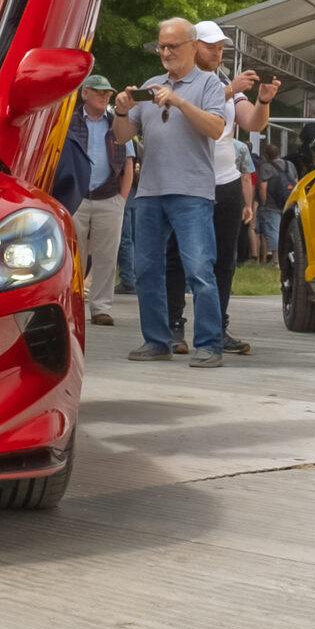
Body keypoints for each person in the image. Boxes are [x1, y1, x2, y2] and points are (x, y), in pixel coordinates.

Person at [113, 18, 228, 368]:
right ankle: (157, 340)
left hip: (192, 191)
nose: (165, 52)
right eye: (162, 46)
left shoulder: (209, 83)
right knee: (147, 270)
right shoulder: (151, 86)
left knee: (199, 269)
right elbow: (121, 137)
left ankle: (209, 344)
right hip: (150, 191)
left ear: (193, 46)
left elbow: (217, 128)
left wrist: (178, 101)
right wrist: (120, 110)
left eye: (172, 46)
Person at [162, 21, 278, 356]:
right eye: (212, 46)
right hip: (187, 181)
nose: (218, 53)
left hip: (225, 181)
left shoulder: (226, 82)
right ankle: (173, 326)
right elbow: (182, 107)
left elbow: (252, 122)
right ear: (193, 45)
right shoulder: (180, 82)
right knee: (178, 258)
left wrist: (263, 101)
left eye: (222, 48)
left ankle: (217, 326)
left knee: (223, 260)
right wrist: (228, 90)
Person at [68, 74, 133, 325]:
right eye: (99, 91)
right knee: (74, 257)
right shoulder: (68, 122)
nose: (105, 96)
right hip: (76, 197)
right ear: (85, 93)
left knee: (107, 256)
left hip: (109, 197)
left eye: (107, 93)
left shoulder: (117, 122)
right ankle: (72, 309)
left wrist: (121, 200)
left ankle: (101, 308)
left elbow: (129, 162)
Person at [255, 142, 296, 264]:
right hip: (287, 202)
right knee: (287, 229)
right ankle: (287, 257)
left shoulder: (266, 167)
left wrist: (263, 202)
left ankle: (276, 260)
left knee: (273, 230)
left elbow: (263, 187)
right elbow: (296, 183)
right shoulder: (290, 165)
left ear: (266, 155)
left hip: (271, 204)